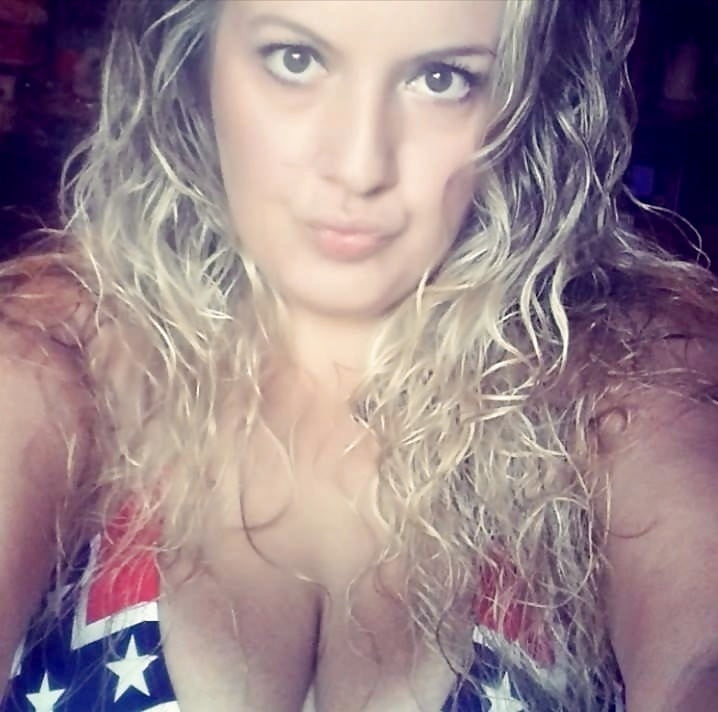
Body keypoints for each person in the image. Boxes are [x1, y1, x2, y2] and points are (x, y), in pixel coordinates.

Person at [1, 1, 717, 710]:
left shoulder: (618, 373)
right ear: (193, 63)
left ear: (521, 101)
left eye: (441, 79)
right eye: (296, 59)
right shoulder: (54, 358)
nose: (359, 166)